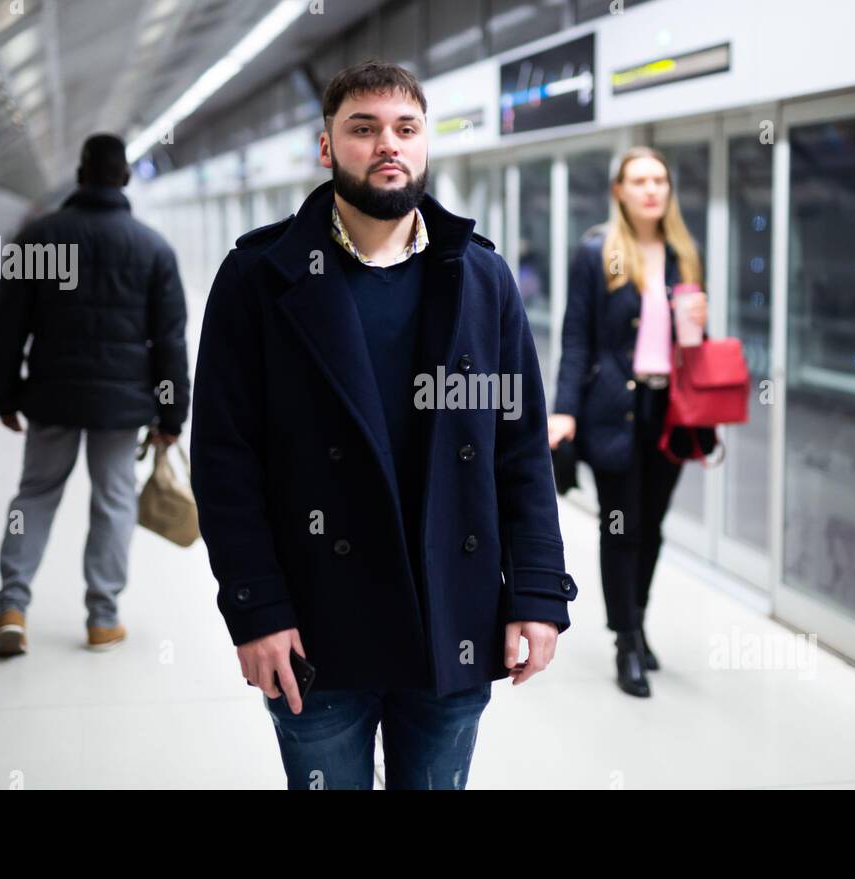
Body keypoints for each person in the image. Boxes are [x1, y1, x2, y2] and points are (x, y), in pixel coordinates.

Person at [189, 61, 576, 790]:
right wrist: (255, 609)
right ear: (327, 147)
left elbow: (520, 450)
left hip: (452, 619)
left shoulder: (479, 277)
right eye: (363, 129)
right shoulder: (259, 279)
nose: (387, 144)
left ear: (426, 143)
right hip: (316, 625)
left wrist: (536, 592)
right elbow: (223, 460)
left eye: (405, 128)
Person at [0, 133, 190, 657]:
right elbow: (169, 342)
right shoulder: (152, 248)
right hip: (120, 407)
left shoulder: (38, 238)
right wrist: (173, 414)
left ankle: (12, 607)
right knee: (115, 499)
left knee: (35, 494)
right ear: (123, 178)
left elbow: (5, 326)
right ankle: (102, 618)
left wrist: (4, 395)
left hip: (51, 395)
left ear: (80, 175)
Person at [549, 146, 707, 698]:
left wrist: (699, 329)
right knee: (622, 526)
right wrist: (563, 410)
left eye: (659, 180)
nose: (651, 190)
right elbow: (576, 336)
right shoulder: (599, 253)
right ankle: (626, 643)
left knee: (654, 526)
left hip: (670, 413)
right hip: (612, 411)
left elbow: (691, 345)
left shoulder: (685, 253)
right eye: (639, 180)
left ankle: (636, 621)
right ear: (619, 190)